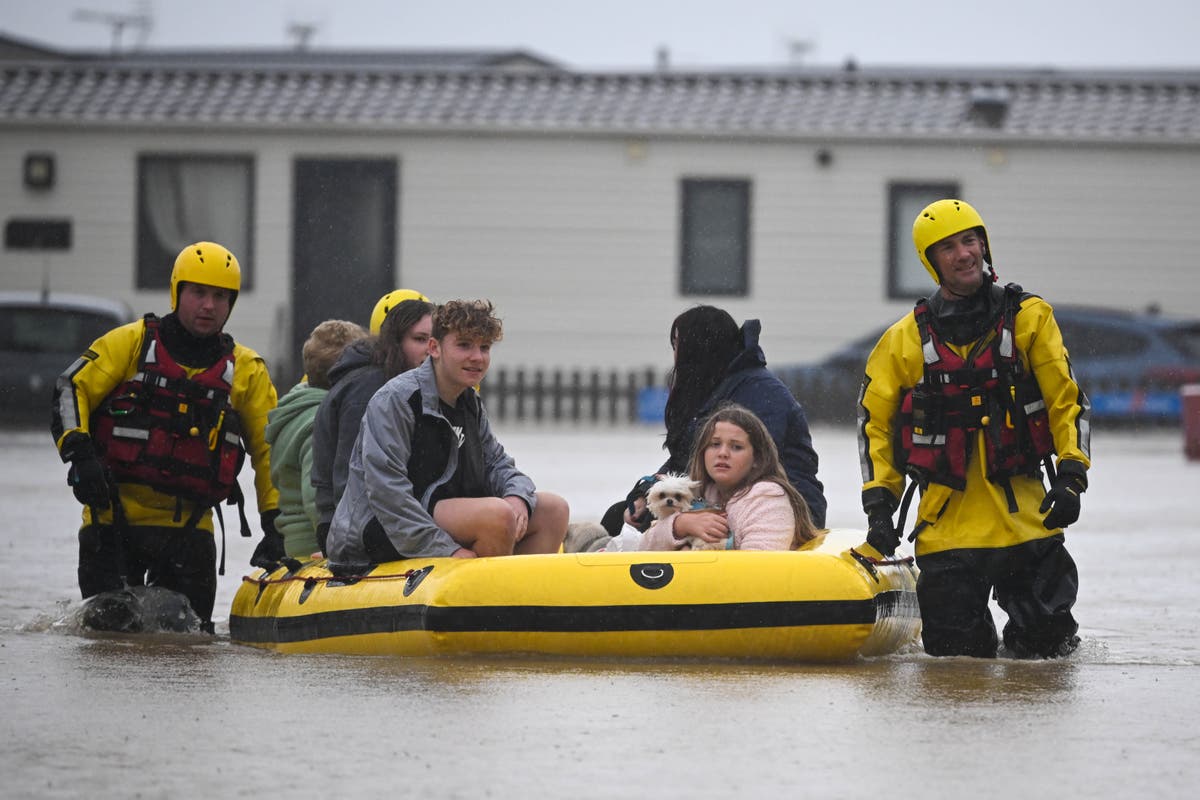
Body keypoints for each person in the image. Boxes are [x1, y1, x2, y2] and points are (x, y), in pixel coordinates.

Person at [857, 198, 1092, 659]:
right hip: (947, 533)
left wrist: (1072, 476)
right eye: (948, 247)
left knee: (1050, 660)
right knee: (953, 669)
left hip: (1029, 522)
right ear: (931, 262)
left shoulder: (1030, 318)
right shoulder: (902, 341)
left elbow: (1068, 401)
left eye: (970, 240)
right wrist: (879, 505)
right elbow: (874, 426)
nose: (964, 253)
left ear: (984, 245)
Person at [51, 241, 280, 633]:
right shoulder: (132, 343)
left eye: (220, 297)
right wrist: (79, 453)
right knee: (109, 637)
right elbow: (72, 388)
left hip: (190, 530)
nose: (208, 306)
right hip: (111, 521)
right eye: (199, 293)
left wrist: (276, 525)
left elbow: (270, 451)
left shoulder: (247, 370)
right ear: (178, 292)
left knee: (186, 645)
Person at [325, 300, 569, 568]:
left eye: (484, 347)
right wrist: (447, 550)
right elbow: (387, 494)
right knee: (497, 516)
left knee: (553, 511)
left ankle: (522, 602)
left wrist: (518, 497)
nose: (477, 357)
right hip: (380, 528)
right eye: (464, 345)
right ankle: (487, 603)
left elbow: (498, 463)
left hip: (435, 512)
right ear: (434, 348)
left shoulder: (468, 402)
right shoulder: (396, 399)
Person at [604, 305, 826, 537]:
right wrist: (647, 491)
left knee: (647, 523)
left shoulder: (759, 392)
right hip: (721, 495)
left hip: (778, 505)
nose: (675, 355)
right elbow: (686, 460)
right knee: (623, 516)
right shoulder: (717, 386)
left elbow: (745, 466)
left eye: (679, 345)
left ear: (698, 349)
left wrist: (685, 510)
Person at [310, 293, 434, 554]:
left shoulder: (410, 387)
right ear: (395, 342)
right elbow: (350, 479)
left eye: (433, 341)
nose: (429, 350)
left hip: (385, 516)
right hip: (351, 525)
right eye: (419, 339)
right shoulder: (369, 390)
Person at [640, 403, 818, 552]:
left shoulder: (769, 499)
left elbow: (761, 571)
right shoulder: (699, 494)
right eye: (715, 444)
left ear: (757, 459)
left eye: (736, 447)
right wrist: (680, 525)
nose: (723, 453)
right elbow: (643, 549)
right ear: (703, 453)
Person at [265, 319, 368, 560]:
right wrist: (338, 544)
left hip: (295, 540)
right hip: (313, 544)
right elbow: (316, 498)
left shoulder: (297, 407)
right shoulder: (318, 423)